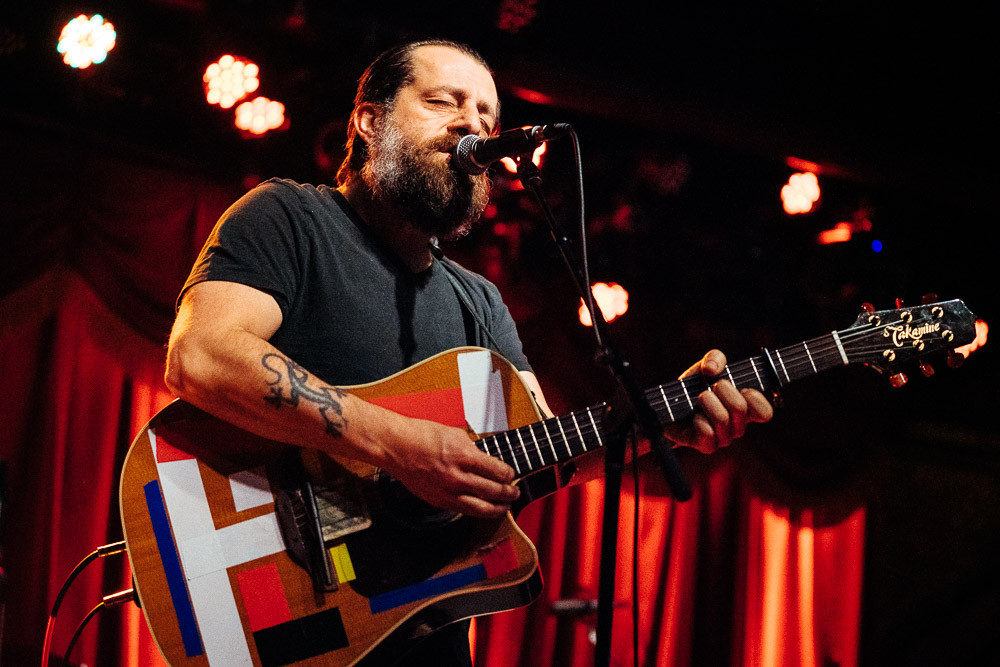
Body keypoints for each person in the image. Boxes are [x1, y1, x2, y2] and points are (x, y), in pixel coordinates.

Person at [164, 39, 773, 666]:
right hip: (286, 603)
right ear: (370, 121)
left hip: (425, 637)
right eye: (441, 102)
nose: (472, 125)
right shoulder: (290, 217)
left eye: (487, 116)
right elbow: (202, 356)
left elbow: (539, 454)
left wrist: (662, 426)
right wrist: (399, 444)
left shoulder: (479, 302)